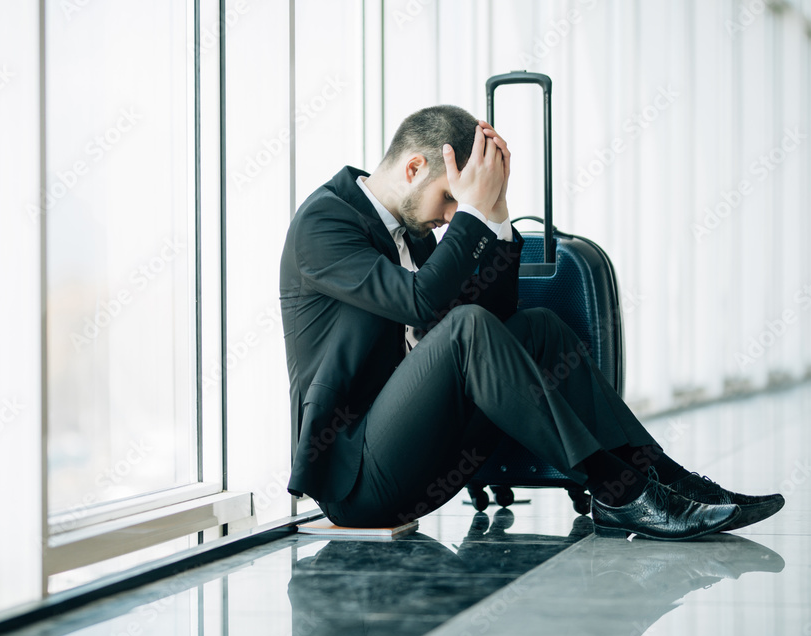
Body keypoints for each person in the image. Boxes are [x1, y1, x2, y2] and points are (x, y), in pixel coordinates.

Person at [278, 104, 784, 540]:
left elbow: (497, 319)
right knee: (467, 327)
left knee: (538, 327)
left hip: (423, 456)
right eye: (451, 198)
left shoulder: (414, 233)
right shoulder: (324, 223)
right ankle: (619, 490)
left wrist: (496, 215)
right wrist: (473, 217)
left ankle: (665, 477)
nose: (452, 217)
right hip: (358, 483)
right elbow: (423, 304)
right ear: (414, 168)